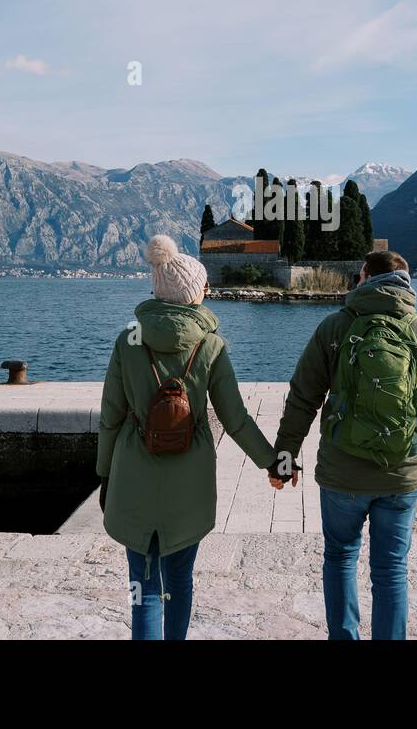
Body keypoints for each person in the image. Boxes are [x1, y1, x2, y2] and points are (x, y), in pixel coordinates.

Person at [269, 249, 417, 639]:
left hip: (343, 472)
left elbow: (303, 397)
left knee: (340, 557)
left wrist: (284, 458)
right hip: (402, 474)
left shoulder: (335, 328)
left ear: (362, 278)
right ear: (407, 284)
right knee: (391, 569)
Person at [98, 234, 277, 640]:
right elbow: (237, 420)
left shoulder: (128, 340)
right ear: (195, 294)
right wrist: (274, 462)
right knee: (179, 582)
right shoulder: (212, 345)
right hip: (189, 483)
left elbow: (110, 417)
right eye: (204, 286)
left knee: (142, 589)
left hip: (133, 476)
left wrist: (105, 475)